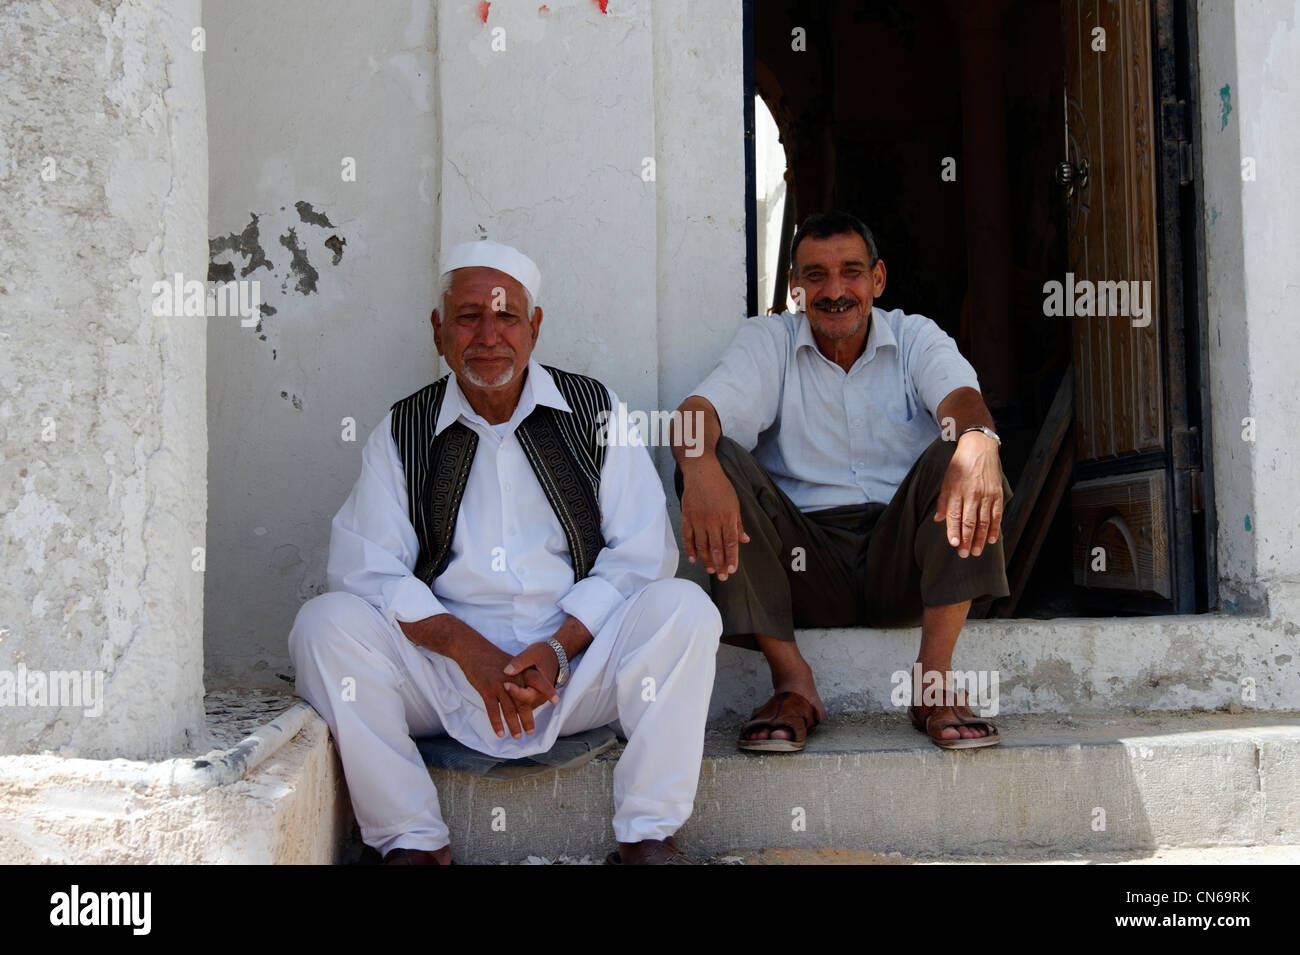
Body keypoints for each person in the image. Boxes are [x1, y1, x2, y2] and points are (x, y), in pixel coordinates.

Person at [290, 238, 721, 864]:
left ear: (534, 327)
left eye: (506, 316)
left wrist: (554, 649)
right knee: (324, 625)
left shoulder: (594, 411)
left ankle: (648, 836)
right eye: (468, 318)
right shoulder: (404, 430)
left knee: (684, 609)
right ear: (439, 332)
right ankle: (411, 841)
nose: (488, 335)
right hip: (444, 677)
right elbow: (367, 567)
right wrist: (470, 652)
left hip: (574, 674)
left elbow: (640, 554)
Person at [672, 210, 1010, 753]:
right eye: (815, 276)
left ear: (877, 279)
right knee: (715, 455)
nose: (834, 291)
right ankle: (792, 685)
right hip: (805, 567)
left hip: (902, 563)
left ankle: (933, 683)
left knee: (967, 448)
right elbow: (696, 413)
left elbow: (962, 399)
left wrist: (977, 438)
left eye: (851, 272)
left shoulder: (914, 335)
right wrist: (699, 468)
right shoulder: (771, 339)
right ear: (795, 287)